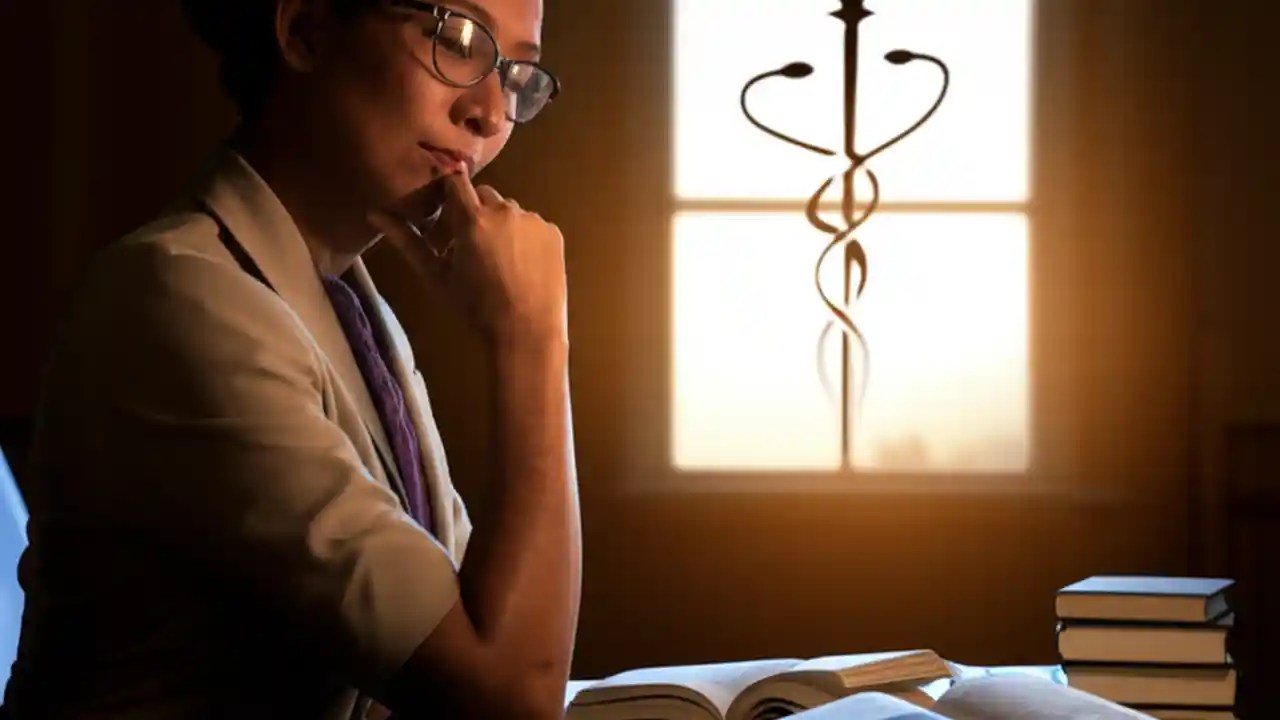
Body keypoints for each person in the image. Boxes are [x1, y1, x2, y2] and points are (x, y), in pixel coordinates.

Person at [1, 0, 581, 717]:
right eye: (457, 39)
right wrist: (533, 340)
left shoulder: (351, 309)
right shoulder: (182, 299)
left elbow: (474, 620)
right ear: (307, 30)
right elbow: (505, 699)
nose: (492, 113)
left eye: (517, 72)